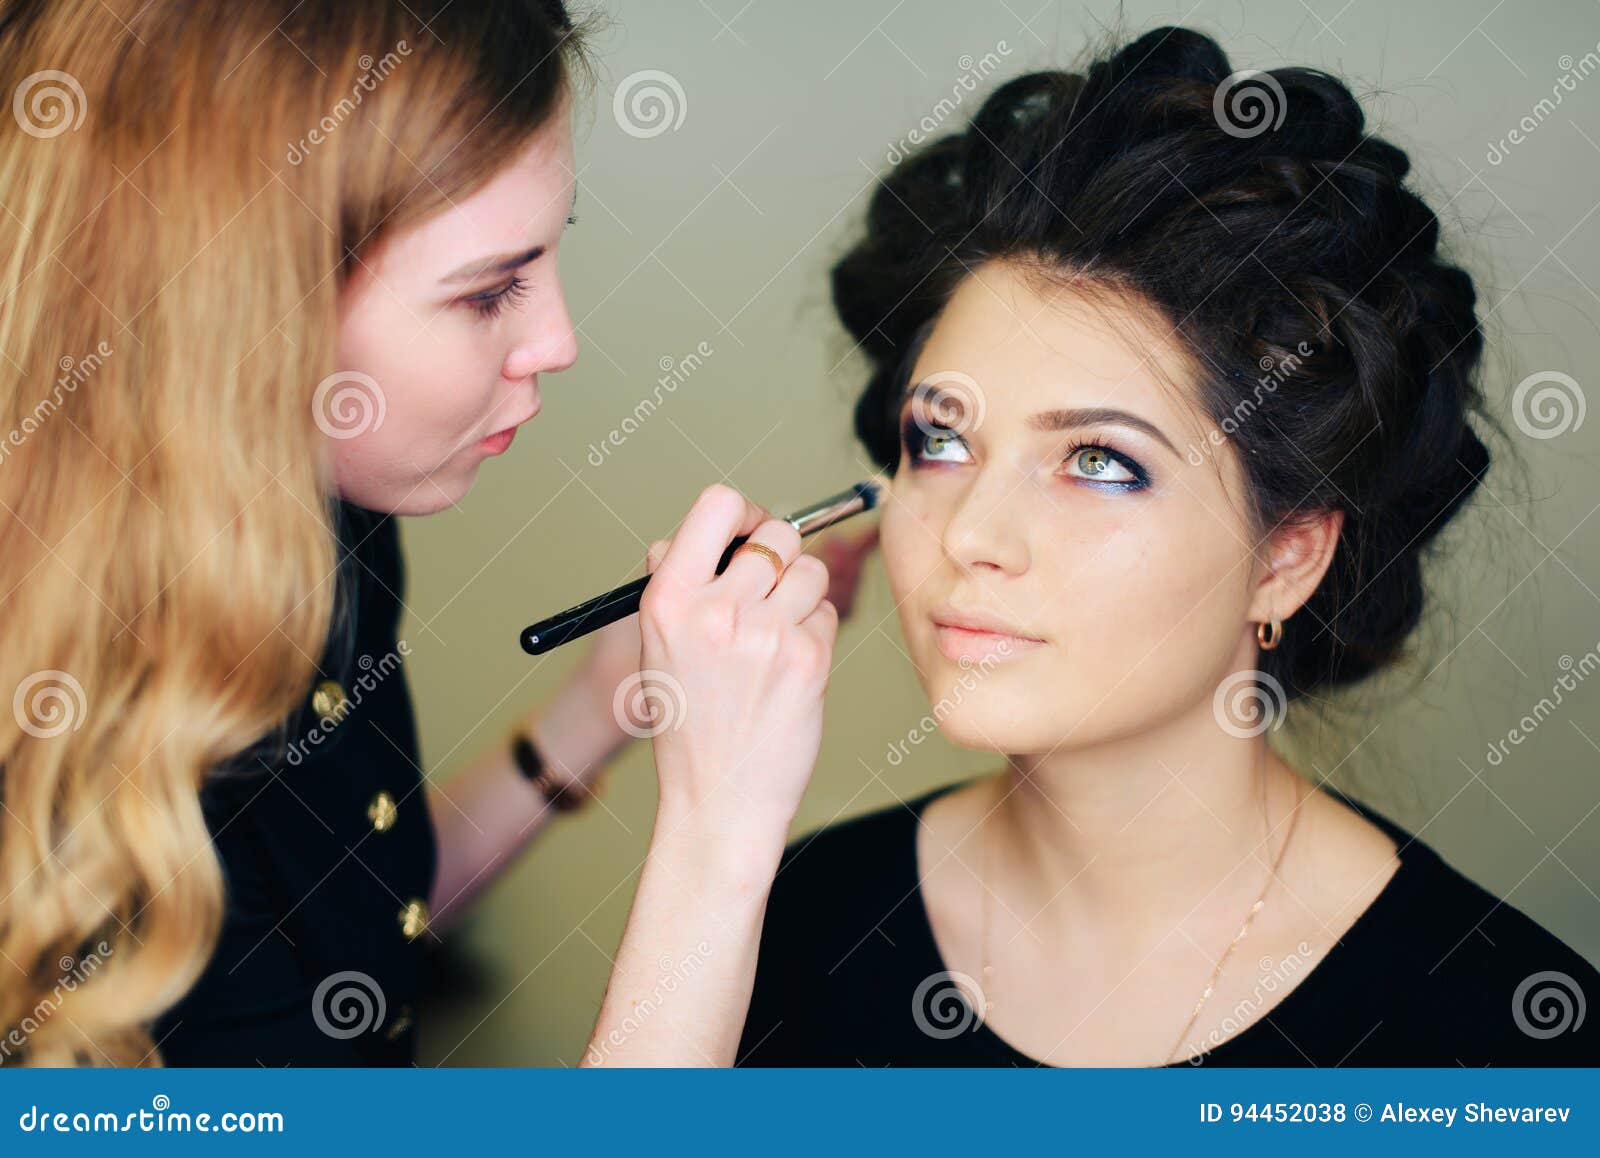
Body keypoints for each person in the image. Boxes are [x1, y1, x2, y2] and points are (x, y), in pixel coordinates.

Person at [0, 0, 868, 1067]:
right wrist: (722, 833)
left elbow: (331, 952)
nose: (556, 340)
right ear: (245, 315)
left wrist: (599, 710)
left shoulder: (330, 531)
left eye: (551, 256)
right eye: (487, 292)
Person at [735, 25, 1600, 1067]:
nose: (970, 535)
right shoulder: (796, 921)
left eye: (1099, 461)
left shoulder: (1500, 1033)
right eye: (942, 440)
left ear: (1286, 556)